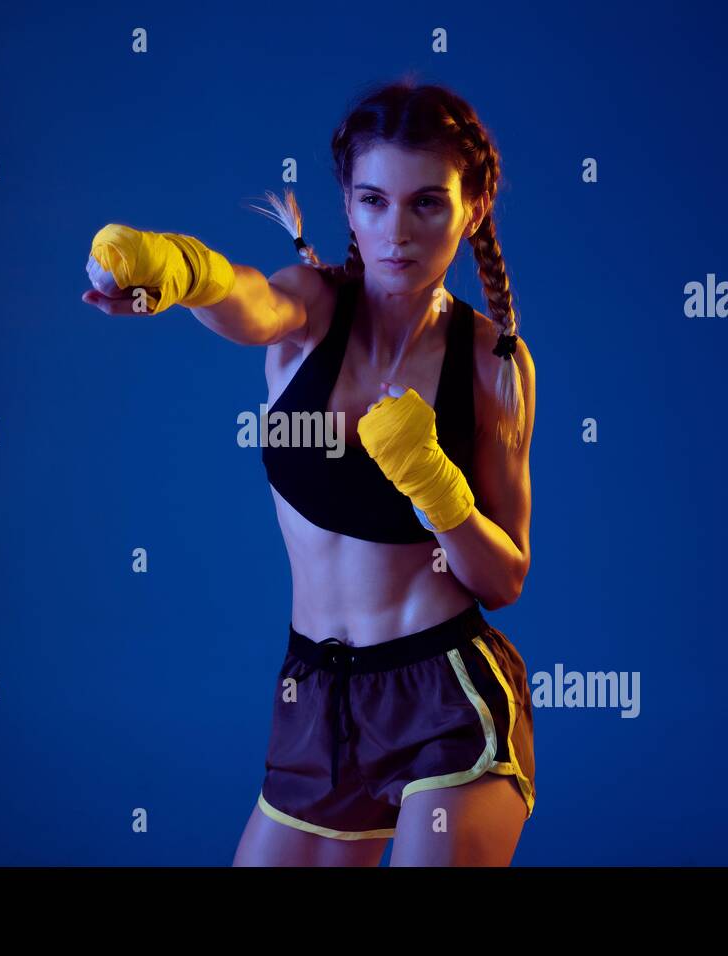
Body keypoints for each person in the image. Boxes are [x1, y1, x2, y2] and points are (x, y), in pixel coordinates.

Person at [84, 80, 537, 866]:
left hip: (445, 697)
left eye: (427, 204)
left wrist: (436, 487)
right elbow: (246, 299)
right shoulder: (312, 312)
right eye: (373, 200)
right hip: (315, 700)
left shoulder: (491, 362)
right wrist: (178, 269)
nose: (396, 232)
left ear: (471, 210)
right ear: (349, 206)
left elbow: (505, 578)